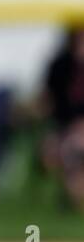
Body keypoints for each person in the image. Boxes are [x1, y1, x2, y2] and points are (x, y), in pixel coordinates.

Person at [36, 26, 84, 210]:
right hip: (62, 127)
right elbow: (46, 102)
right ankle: (72, 200)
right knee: (52, 153)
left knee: (74, 148)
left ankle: (74, 201)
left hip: (78, 132)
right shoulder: (59, 65)